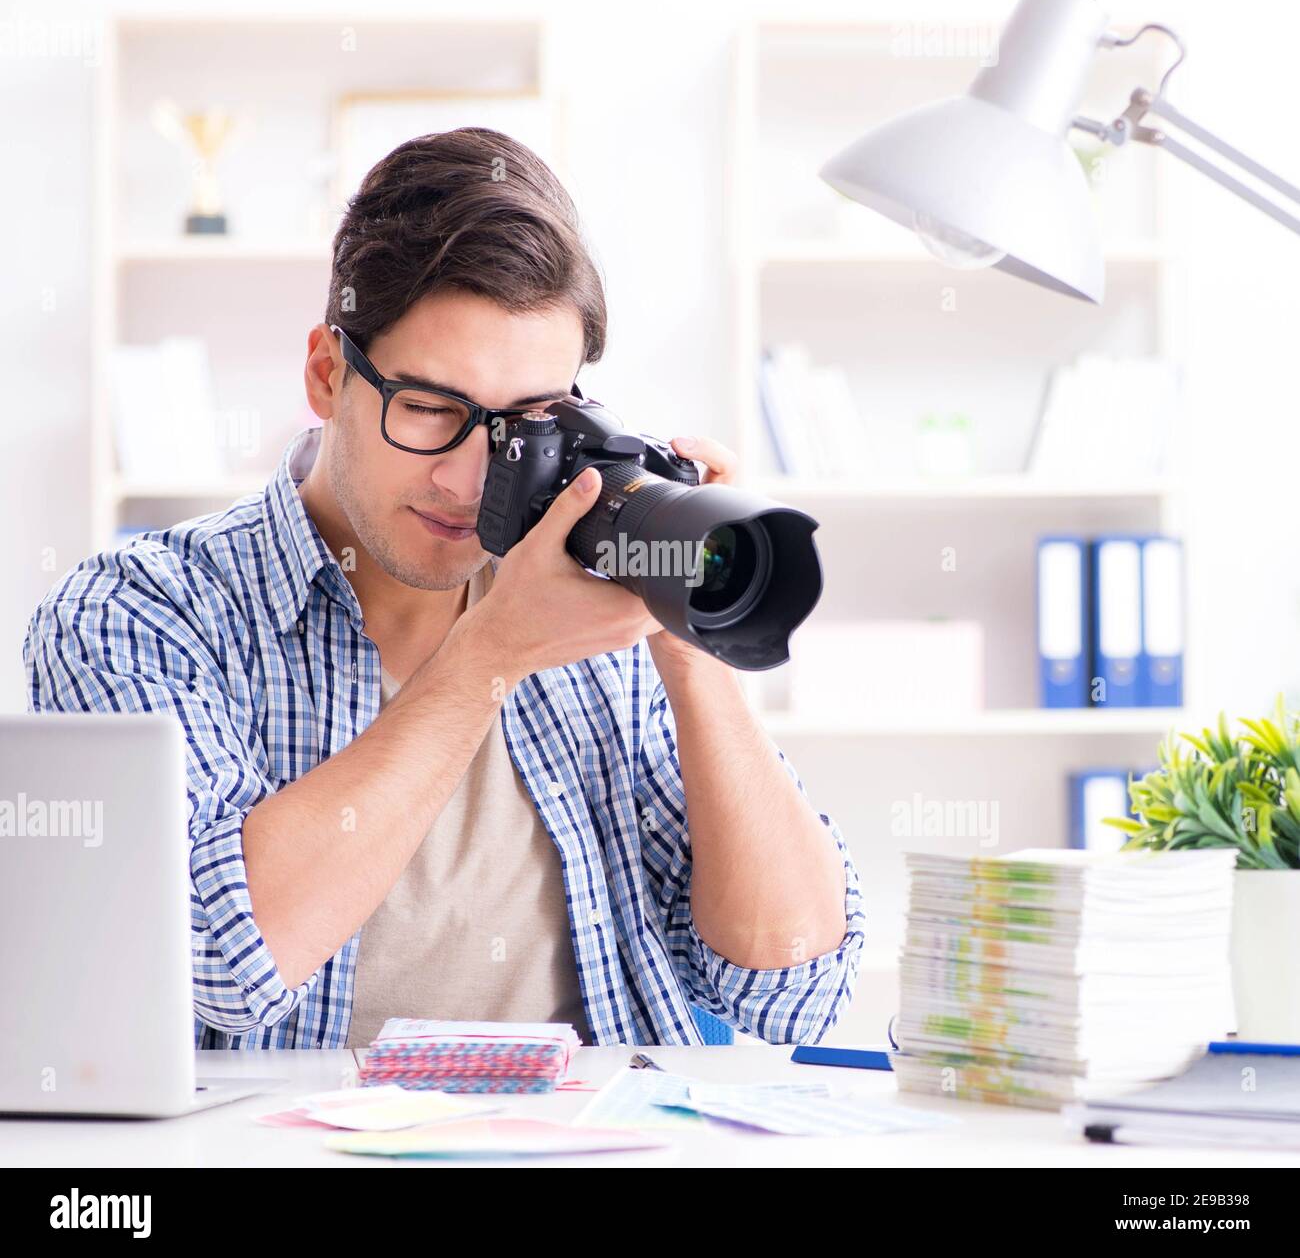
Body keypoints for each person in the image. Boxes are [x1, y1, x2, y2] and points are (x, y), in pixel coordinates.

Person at [25, 127, 863, 1049]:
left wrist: (690, 643)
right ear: (327, 373)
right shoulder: (135, 613)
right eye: (429, 409)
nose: (469, 481)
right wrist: (490, 657)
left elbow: (794, 991)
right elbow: (219, 962)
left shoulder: (597, 631)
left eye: (524, 425)